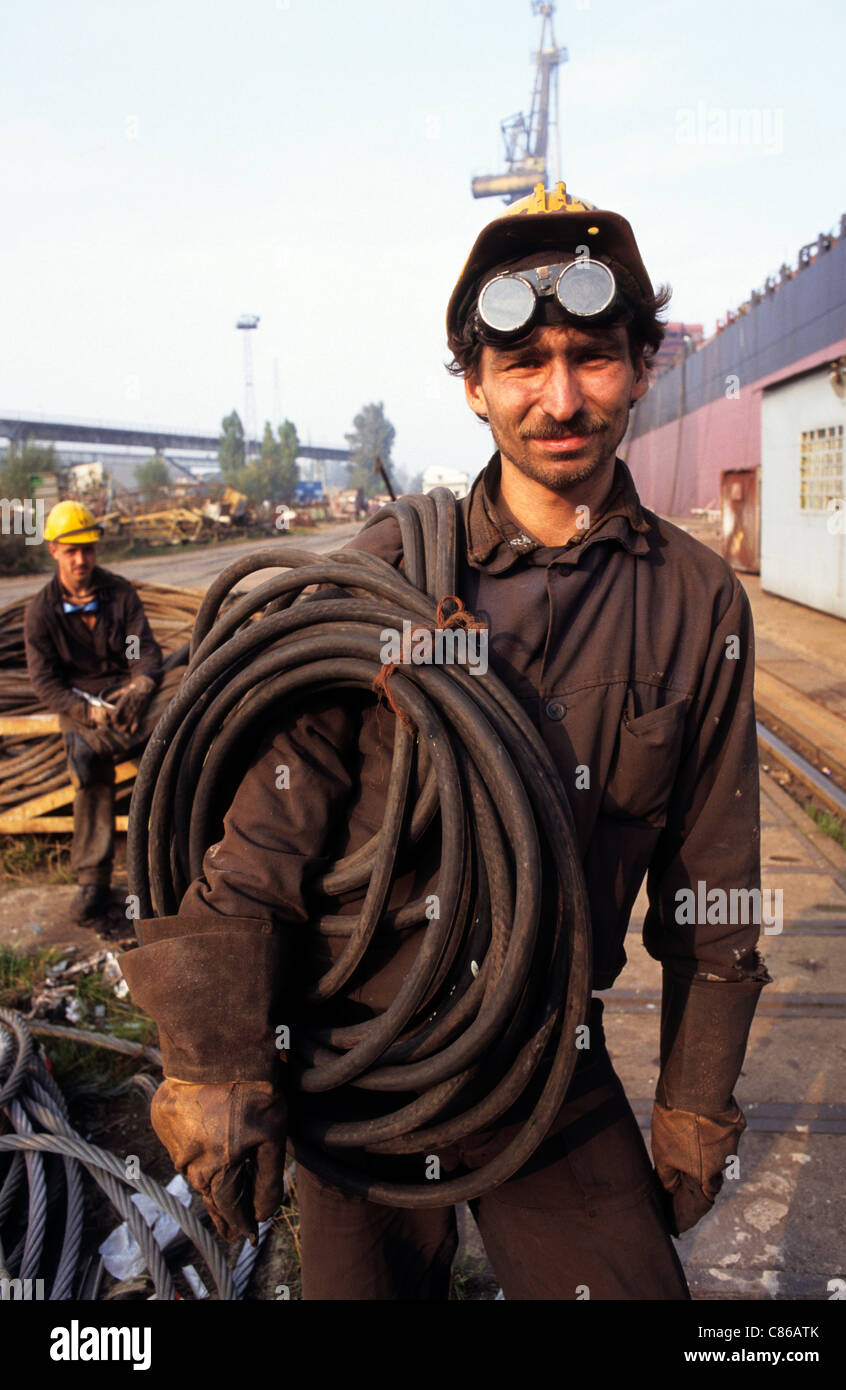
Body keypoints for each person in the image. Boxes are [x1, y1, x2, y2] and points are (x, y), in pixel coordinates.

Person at [123, 183, 770, 1300]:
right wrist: (216, 1064)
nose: (559, 397)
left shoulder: (695, 601)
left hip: (542, 1062)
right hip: (367, 1065)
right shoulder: (385, 575)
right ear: (472, 386)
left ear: (640, 367)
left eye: (592, 356)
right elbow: (267, 837)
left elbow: (712, 883)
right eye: (522, 365)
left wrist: (693, 1094)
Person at [24, 501, 165, 927]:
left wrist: (140, 685)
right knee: (87, 764)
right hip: (81, 707)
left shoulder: (119, 593)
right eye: (72, 551)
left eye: (88, 549)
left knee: (169, 745)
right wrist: (84, 712)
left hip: (128, 699)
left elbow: (144, 651)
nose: (82, 559)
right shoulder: (41, 612)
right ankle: (93, 880)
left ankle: (169, 862)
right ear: (53, 550)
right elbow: (46, 682)